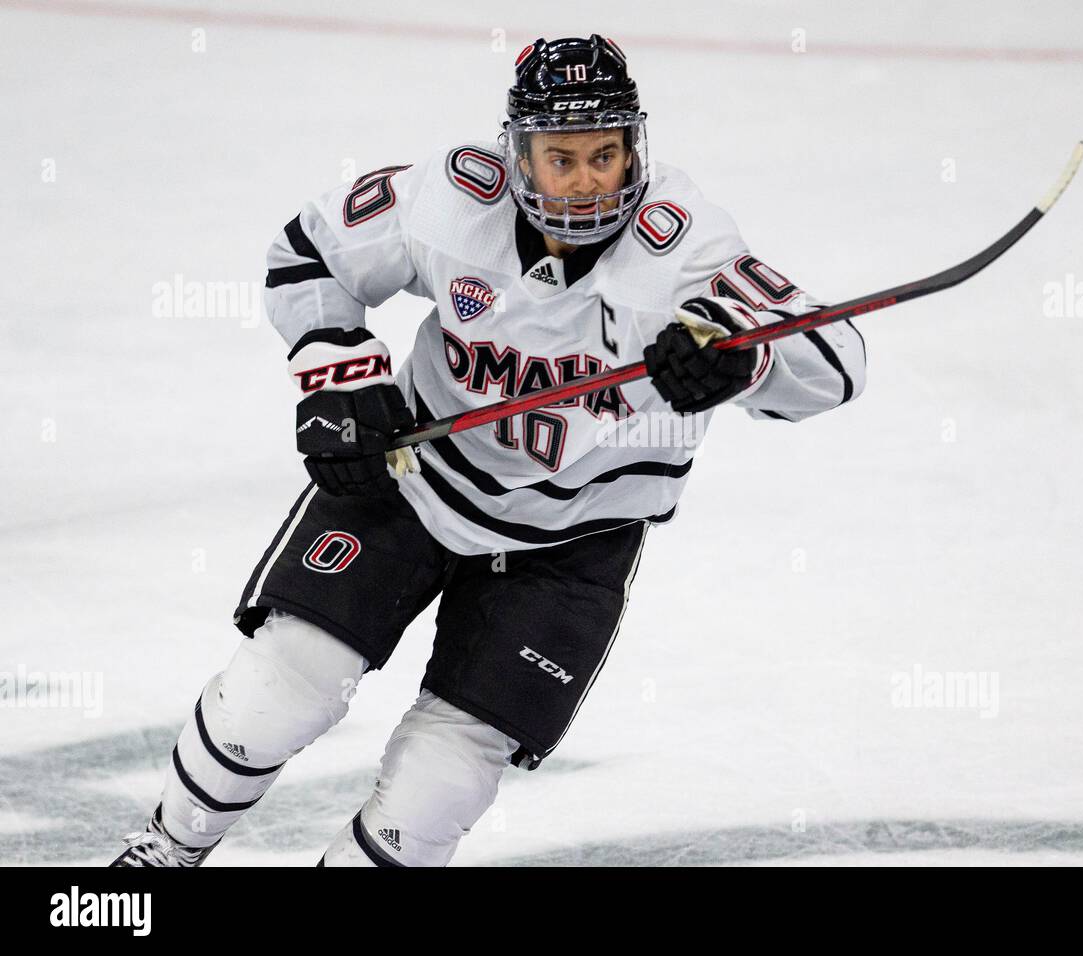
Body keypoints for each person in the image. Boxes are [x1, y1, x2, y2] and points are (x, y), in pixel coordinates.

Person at [112, 34, 866, 867]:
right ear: (516, 156)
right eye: (561, 157)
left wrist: (741, 361)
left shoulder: (685, 251)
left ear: (635, 150)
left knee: (440, 788)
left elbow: (837, 361)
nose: (585, 183)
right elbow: (311, 249)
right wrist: (339, 377)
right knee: (275, 691)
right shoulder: (449, 200)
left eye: (605, 155)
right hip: (414, 480)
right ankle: (163, 852)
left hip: (572, 544)